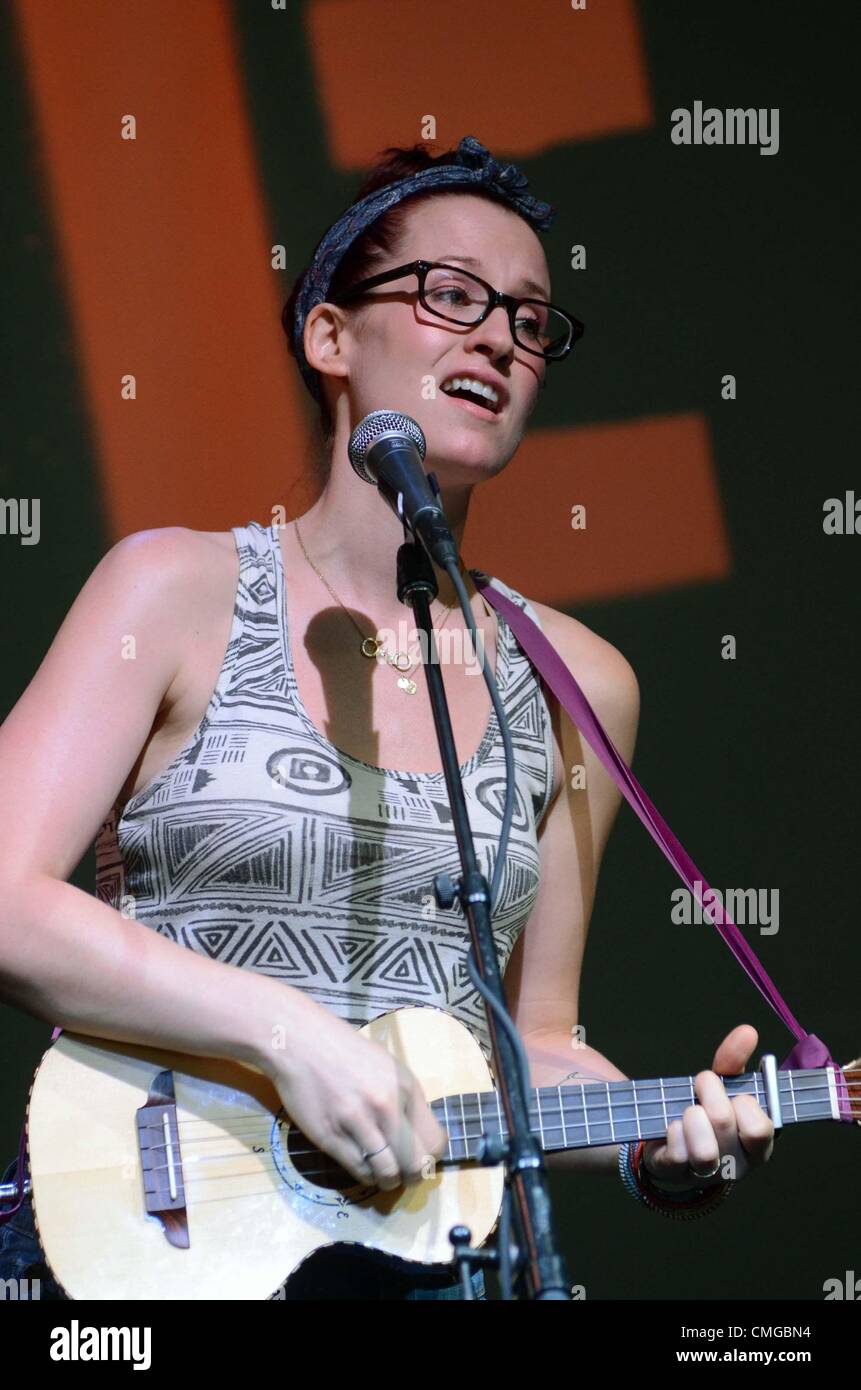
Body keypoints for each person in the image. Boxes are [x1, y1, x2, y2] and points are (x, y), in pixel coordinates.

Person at [0, 136, 774, 1301]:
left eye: (529, 319)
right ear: (328, 336)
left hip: (422, 1268)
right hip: (147, 1248)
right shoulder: (174, 591)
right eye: (451, 296)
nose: (497, 339)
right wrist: (283, 1028)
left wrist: (651, 1143)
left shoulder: (578, 680)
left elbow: (537, 1044)